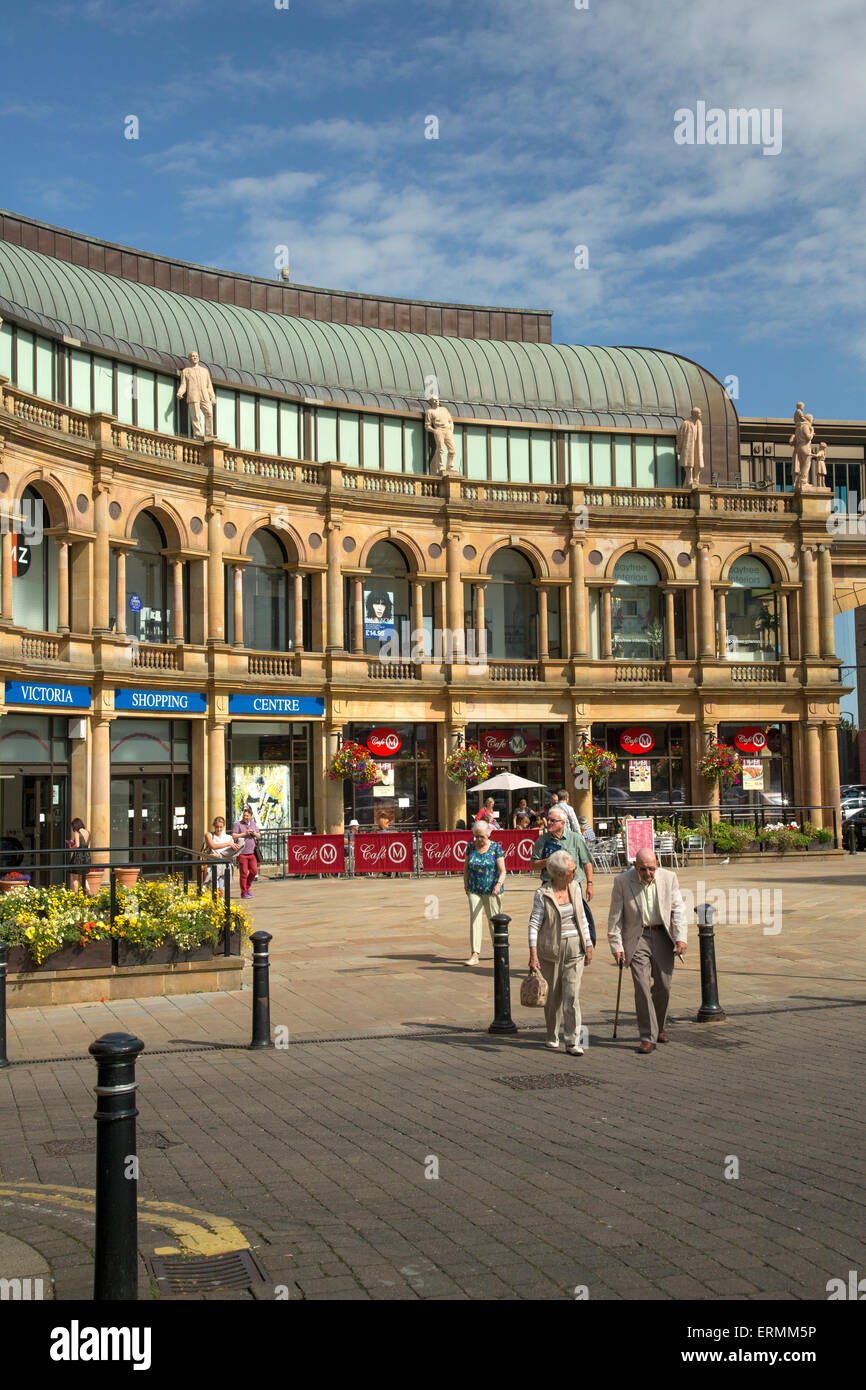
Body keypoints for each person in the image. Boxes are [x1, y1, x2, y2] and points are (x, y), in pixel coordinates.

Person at [607, 847, 688, 1054]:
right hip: (638, 937)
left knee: (664, 985)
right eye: (643, 869)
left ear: (657, 865)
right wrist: (616, 946)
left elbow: (678, 909)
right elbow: (615, 917)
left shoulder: (669, 878)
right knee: (642, 986)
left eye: (651, 869)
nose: (648, 873)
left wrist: (681, 938)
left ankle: (659, 1026)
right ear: (635, 866)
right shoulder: (622, 882)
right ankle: (648, 1035)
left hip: (662, 934)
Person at [527, 851, 593, 1053]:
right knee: (553, 996)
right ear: (559, 874)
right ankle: (552, 1033)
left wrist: (588, 944)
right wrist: (533, 954)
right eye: (572, 871)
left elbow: (582, 918)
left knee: (572, 996)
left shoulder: (574, 888)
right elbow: (534, 923)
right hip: (550, 948)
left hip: (575, 946)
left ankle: (573, 1041)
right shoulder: (542, 894)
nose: (575, 873)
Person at [530, 806, 596, 945]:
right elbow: (533, 864)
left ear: (563, 823)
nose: (548, 823)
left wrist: (590, 884)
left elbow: (587, 863)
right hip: (549, 886)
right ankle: (545, 946)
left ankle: (586, 944)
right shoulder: (542, 840)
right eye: (548, 819)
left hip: (572, 885)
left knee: (579, 917)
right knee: (546, 919)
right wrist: (547, 862)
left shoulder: (575, 838)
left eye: (553, 820)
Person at [462, 820, 506, 966]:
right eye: (476, 836)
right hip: (474, 888)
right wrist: (465, 884)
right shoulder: (470, 847)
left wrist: (499, 884)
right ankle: (475, 954)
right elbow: (466, 868)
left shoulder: (496, 848)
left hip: (492, 889)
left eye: (481, 837)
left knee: (494, 920)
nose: (478, 840)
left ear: (488, 834)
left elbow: (502, 870)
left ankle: (499, 949)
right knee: (475, 919)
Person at [203, 816, 243, 894]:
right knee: (213, 888)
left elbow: (231, 854)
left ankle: (221, 904)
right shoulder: (209, 835)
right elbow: (213, 846)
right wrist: (228, 844)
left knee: (222, 889)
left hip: (225, 865)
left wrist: (220, 855)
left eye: (221, 827)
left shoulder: (228, 837)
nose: (219, 829)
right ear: (214, 825)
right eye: (217, 827)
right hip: (213, 865)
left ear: (224, 826)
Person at [232, 806, 261, 899]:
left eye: (247, 816)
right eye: (244, 815)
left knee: (254, 871)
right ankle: (243, 892)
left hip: (251, 853)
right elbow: (234, 836)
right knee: (243, 873)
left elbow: (259, 836)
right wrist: (244, 834)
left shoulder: (253, 824)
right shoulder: (238, 824)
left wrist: (254, 833)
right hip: (242, 853)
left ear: (251, 816)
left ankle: (247, 888)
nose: (245, 817)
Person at [68, 817, 92, 895]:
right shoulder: (87, 832)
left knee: (75, 878)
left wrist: (71, 847)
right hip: (87, 856)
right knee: (83, 877)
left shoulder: (77, 832)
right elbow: (89, 847)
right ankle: (89, 892)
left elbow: (77, 845)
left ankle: (75, 896)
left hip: (78, 857)